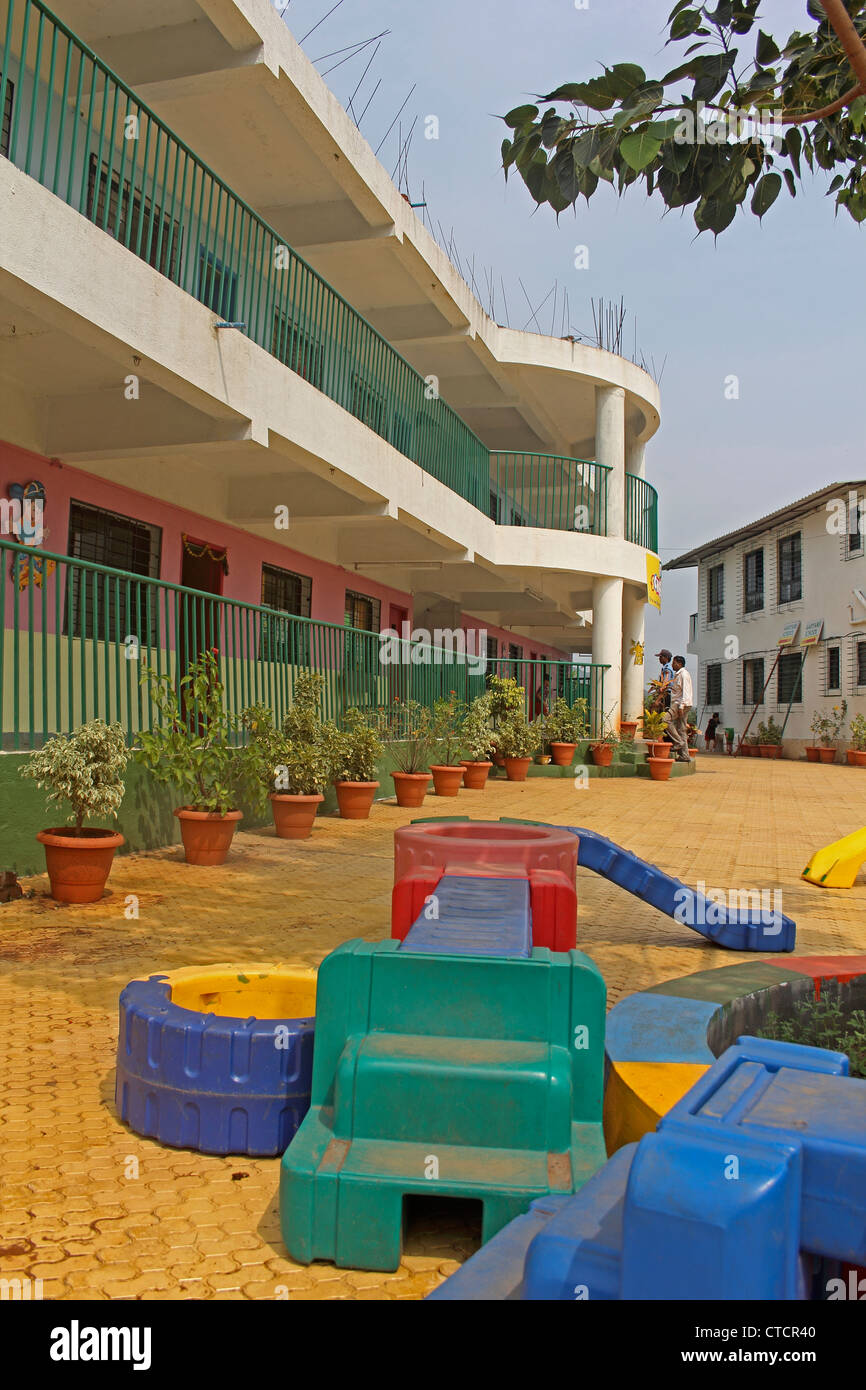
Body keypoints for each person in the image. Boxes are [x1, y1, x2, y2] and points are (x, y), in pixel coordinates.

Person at [668, 655, 693, 763]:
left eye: (674, 663)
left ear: (679, 663)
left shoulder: (683, 674)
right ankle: (685, 755)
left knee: (665, 720)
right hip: (682, 703)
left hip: (680, 704)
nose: (672, 665)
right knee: (681, 729)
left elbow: (685, 691)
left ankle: (678, 742)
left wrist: (681, 706)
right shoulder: (679, 674)